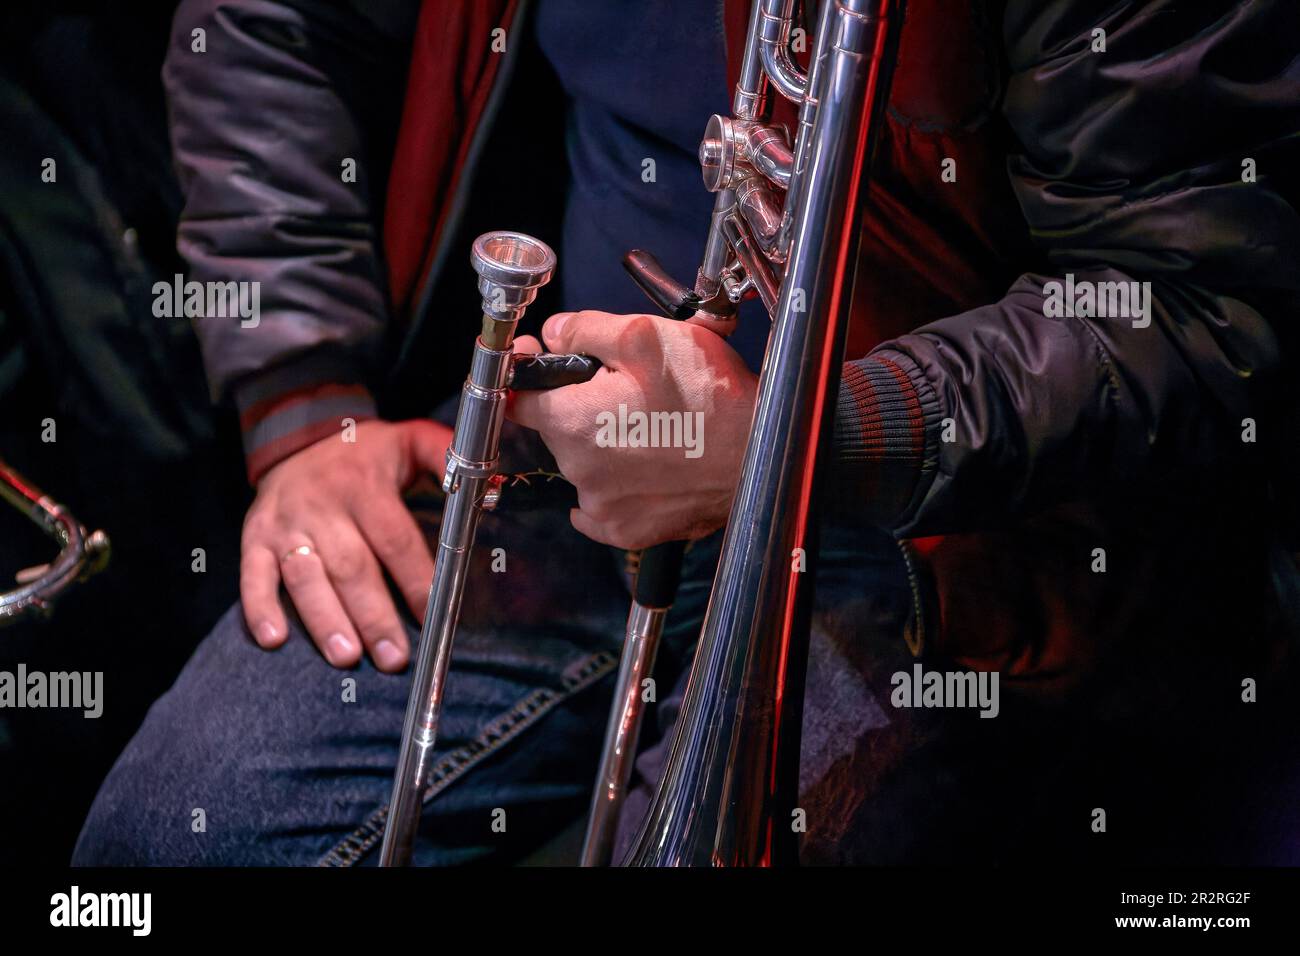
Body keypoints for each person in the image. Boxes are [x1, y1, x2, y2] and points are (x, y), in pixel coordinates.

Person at [74, 0, 1300, 866]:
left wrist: (796, 442)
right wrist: (306, 404)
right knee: (167, 841)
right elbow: (267, 20)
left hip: (946, 517)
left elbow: (1196, 304)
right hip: (565, 421)